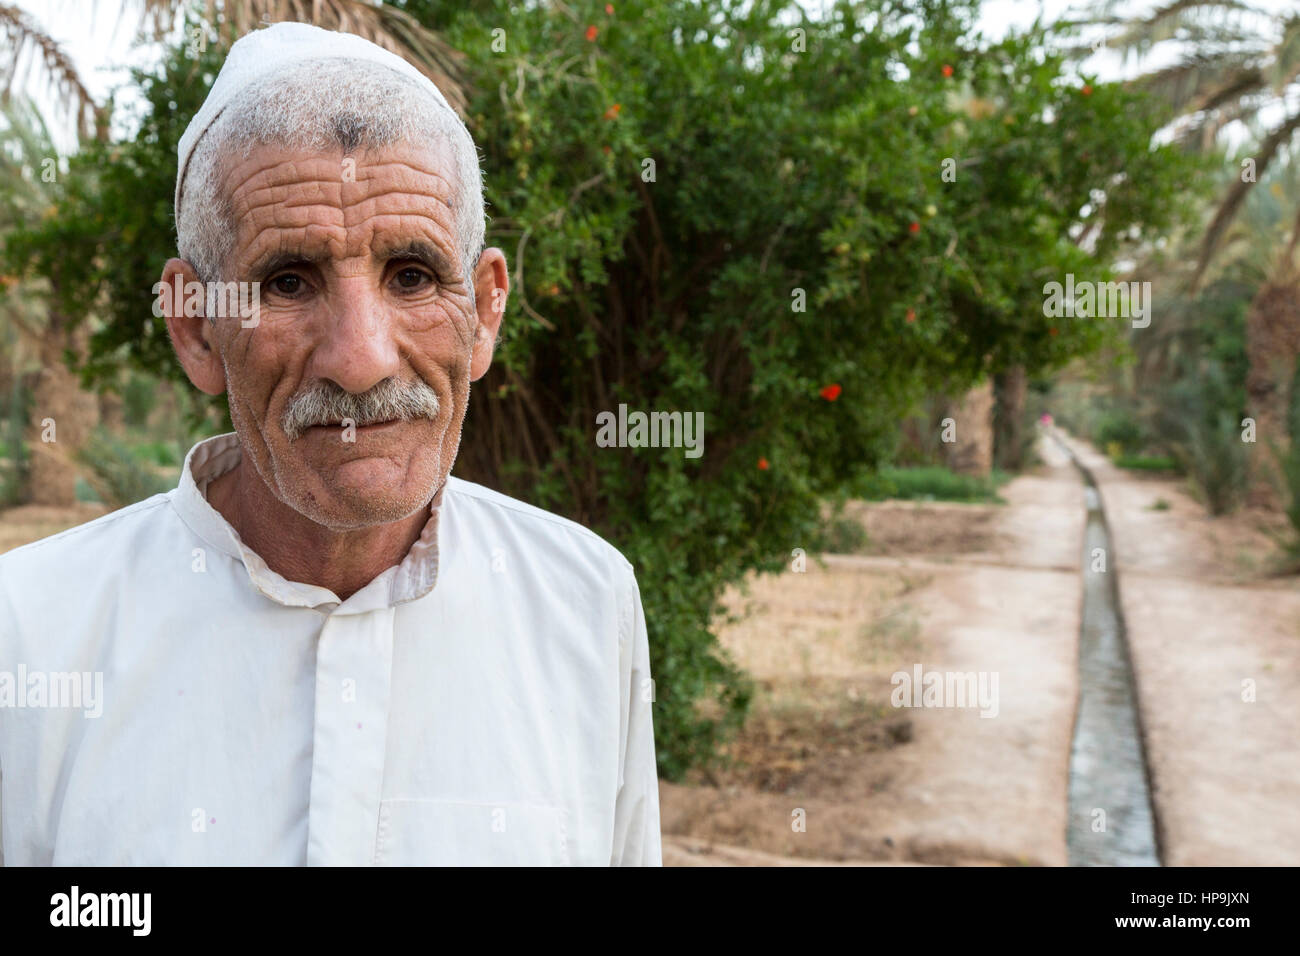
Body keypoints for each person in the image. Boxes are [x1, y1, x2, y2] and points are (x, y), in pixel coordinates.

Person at [0, 22, 661, 866]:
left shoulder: (585, 600)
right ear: (196, 326)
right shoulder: (28, 633)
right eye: (287, 282)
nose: (360, 359)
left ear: (487, 310)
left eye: (413, 276)